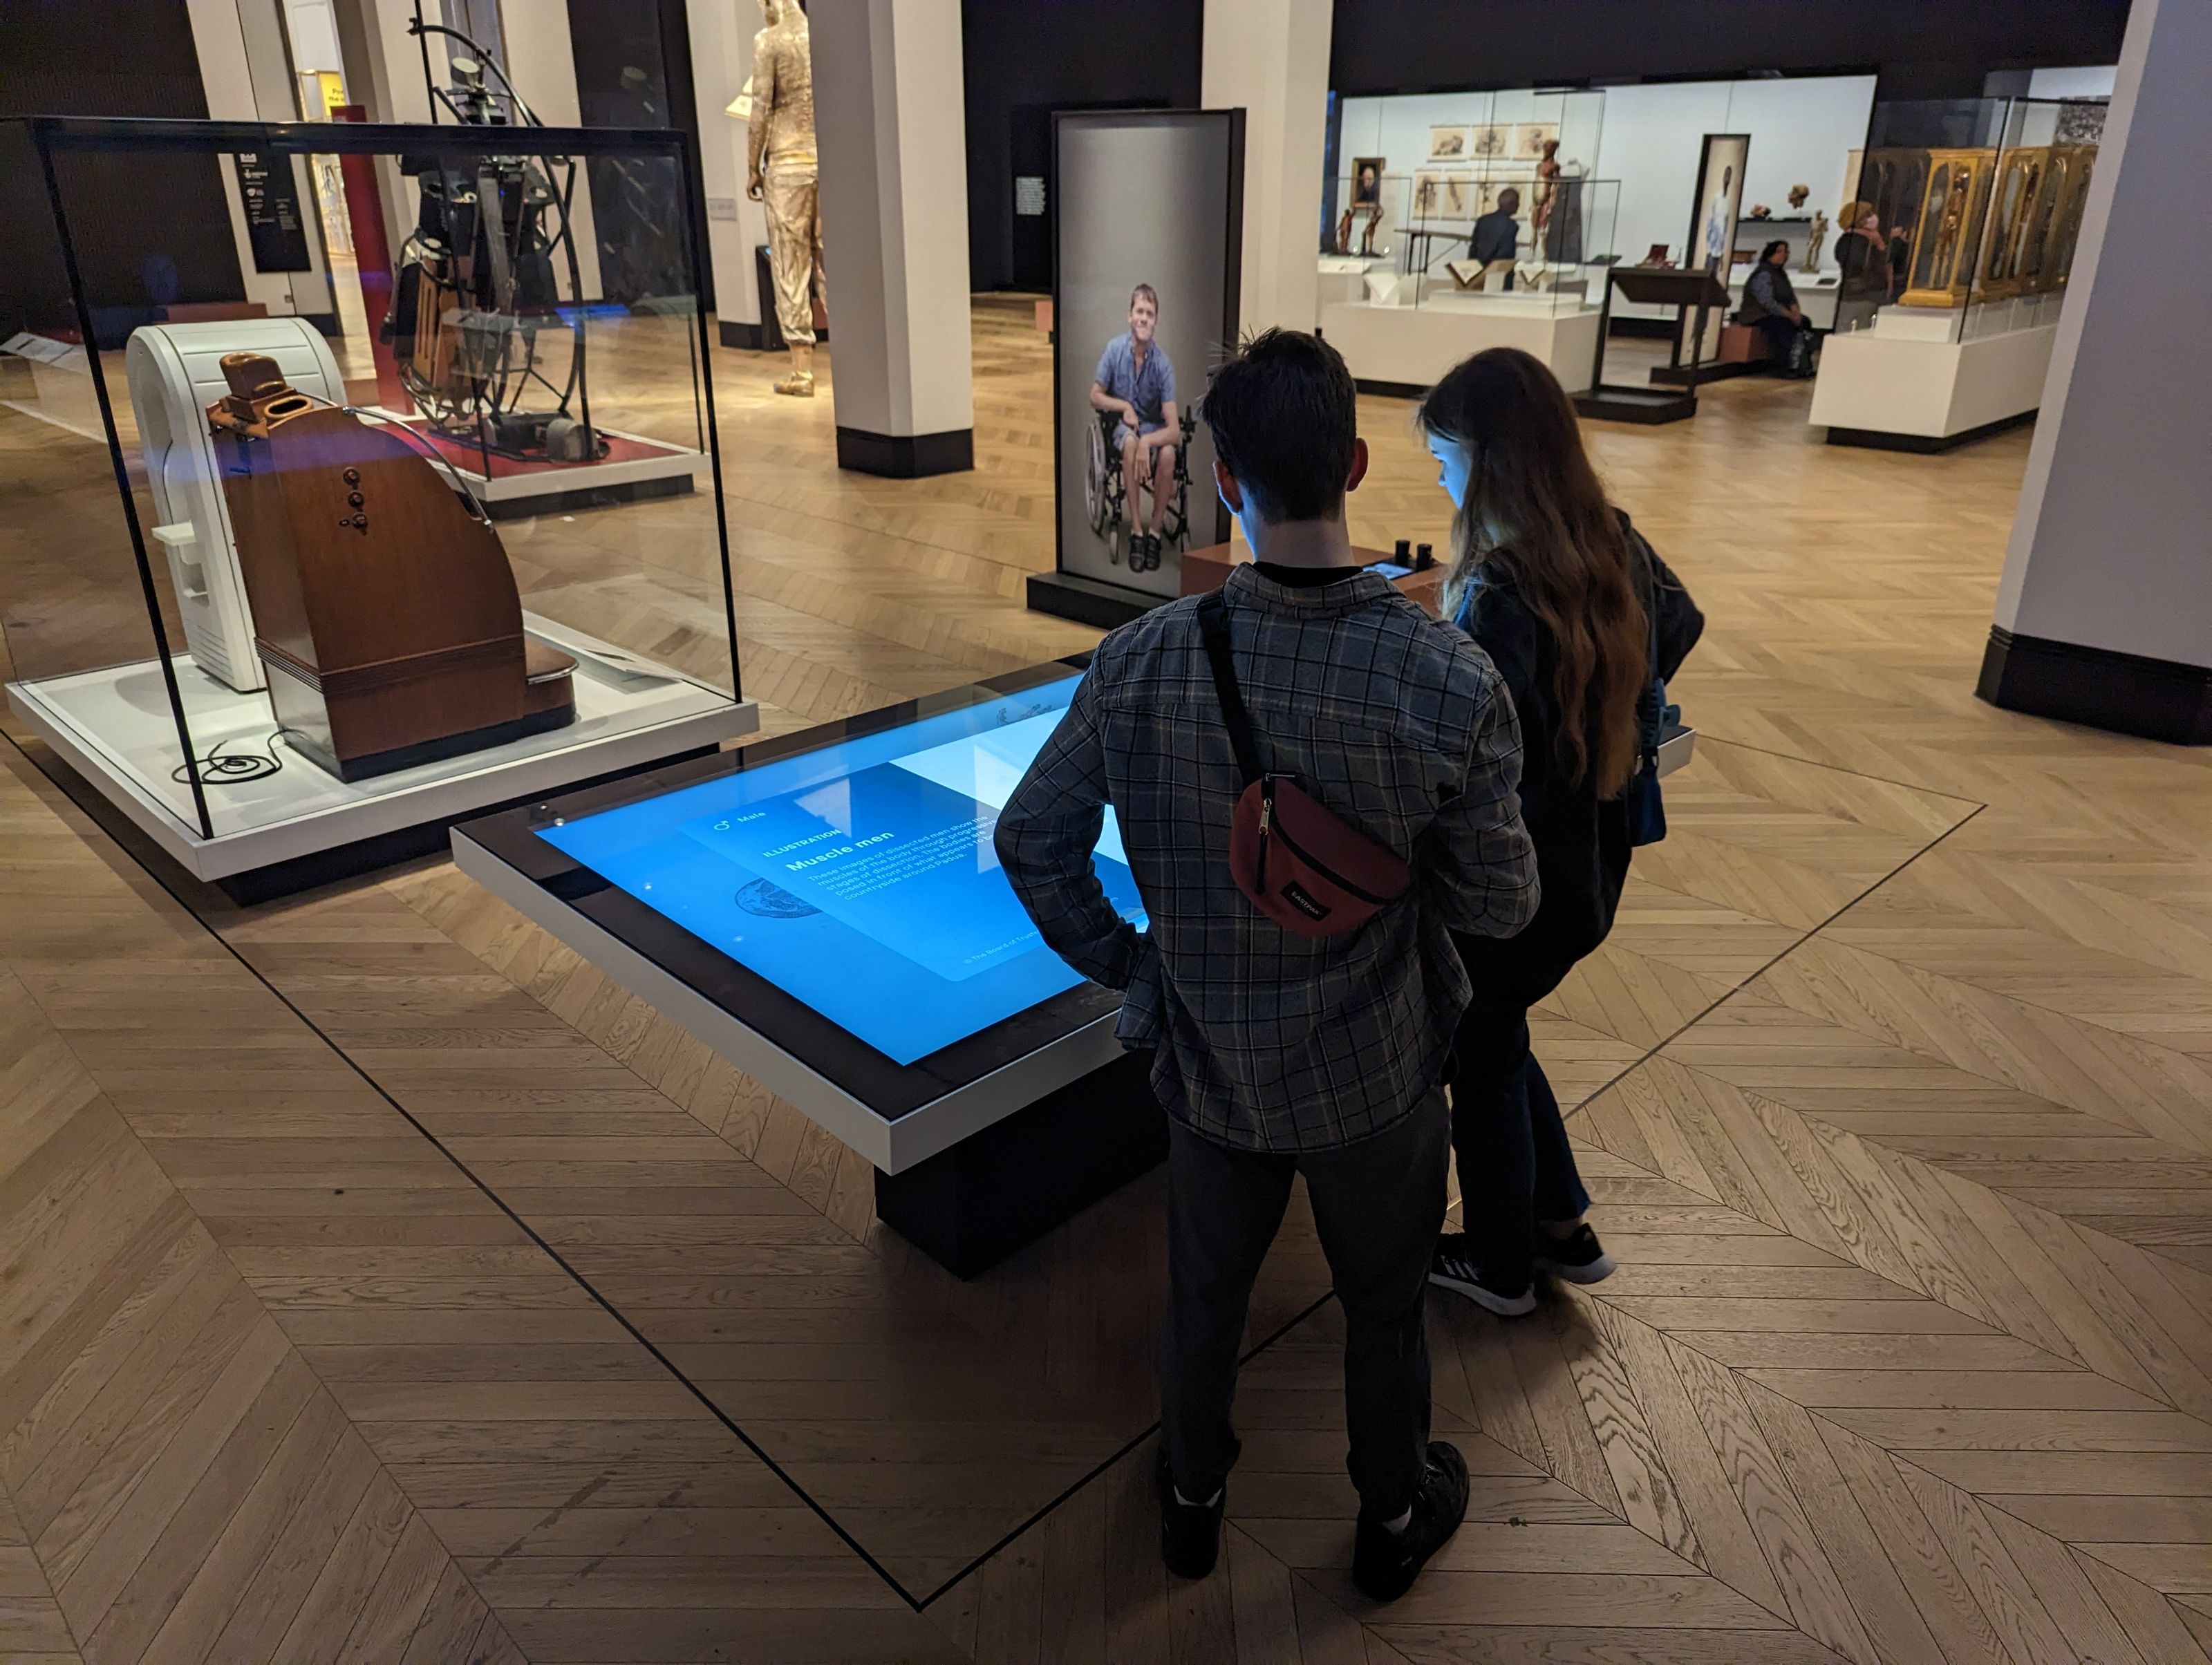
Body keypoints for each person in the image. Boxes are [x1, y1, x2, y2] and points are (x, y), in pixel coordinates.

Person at [997, 330, 1539, 1601]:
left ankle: (1191, 1497)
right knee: (1384, 1299)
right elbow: (1504, 901)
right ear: (1354, 462)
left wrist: (1134, 964)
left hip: (1208, 1060)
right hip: (1379, 1070)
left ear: (1223, 480)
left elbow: (1033, 838)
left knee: (1202, 1297)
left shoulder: (1138, 661)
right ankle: (1392, 1509)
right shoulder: (1445, 674)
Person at [1415, 347, 1703, 1318]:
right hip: (1590, 866)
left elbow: (1459, 743)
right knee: (1497, 1036)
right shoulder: (1611, 543)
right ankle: (1560, 1223)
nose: (1444, 478)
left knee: (1478, 1055)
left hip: (1514, 886)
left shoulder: (1501, 594)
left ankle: (1500, 1266)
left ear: (1491, 462)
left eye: (1449, 459)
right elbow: (1683, 620)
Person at [1089, 285, 1179, 570]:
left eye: (1149, 314)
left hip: (1151, 431)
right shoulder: (1114, 351)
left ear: (1156, 321)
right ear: (1130, 316)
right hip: (1122, 429)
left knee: (1168, 455)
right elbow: (1095, 395)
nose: (1144, 318)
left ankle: (1154, 532)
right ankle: (1137, 532)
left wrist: (1148, 442)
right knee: (1129, 443)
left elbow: (1174, 429)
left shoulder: (1163, 365)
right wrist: (1124, 407)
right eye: (1139, 311)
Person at [1740, 239, 1812, 376]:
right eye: (1779, 252)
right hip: (1759, 314)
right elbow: (1767, 302)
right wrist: (1789, 315)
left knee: (1805, 322)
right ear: (1770, 254)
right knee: (1782, 326)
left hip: (1780, 313)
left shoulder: (1781, 274)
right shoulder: (1763, 274)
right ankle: (1780, 367)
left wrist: (1796, 311)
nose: (1784, 255)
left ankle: (1801, 364)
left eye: (1786, 252)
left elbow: (1790, 296)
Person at [1467, 187, 1521, 288]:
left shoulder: (1482, 220)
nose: (1519, 205)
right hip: (1499, 275)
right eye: (1517, 202)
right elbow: (1506, 254)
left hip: (1478, 269)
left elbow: (1473, 247)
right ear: (1511, 204)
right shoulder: (1511, 226)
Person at [1703, 164, 1735, 270]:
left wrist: (1721, 252)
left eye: (1729, 176)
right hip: (1712, 248)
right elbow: (1711, 224)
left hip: (1719, 248)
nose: (1727, 178)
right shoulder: (1717, 198)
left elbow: (1724, 227)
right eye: (1726, 175)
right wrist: (1710, 248)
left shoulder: (1729, 200)